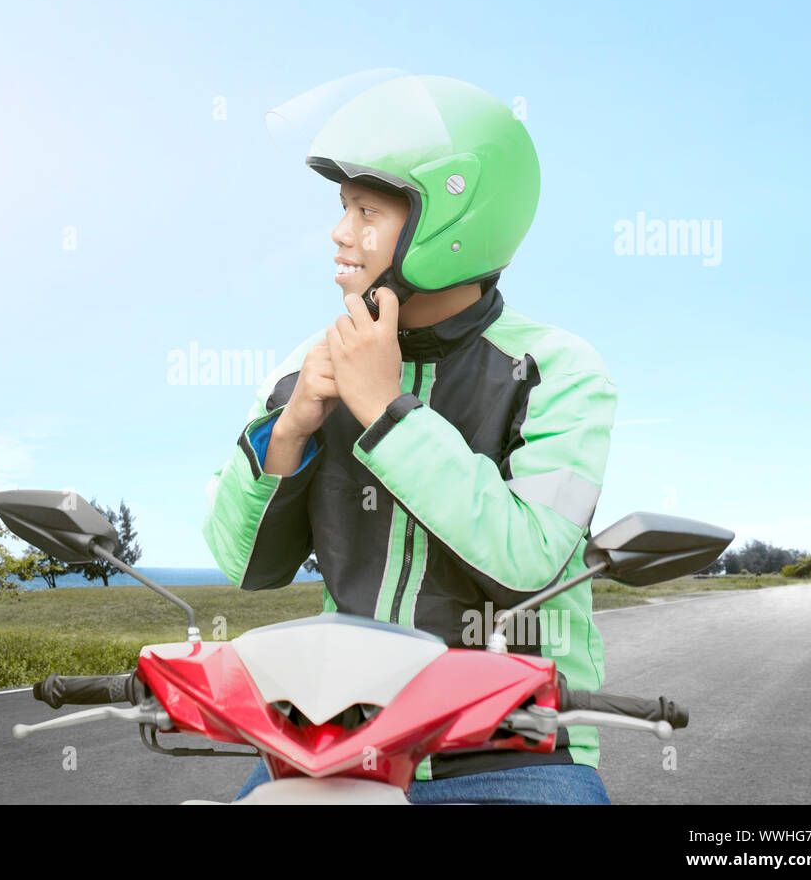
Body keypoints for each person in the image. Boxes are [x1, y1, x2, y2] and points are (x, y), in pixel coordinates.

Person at [200, 74, 618, 804]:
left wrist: (388, 412)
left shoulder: (558, 370)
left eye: (367, 211)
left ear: (453, 218)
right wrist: (291, 425)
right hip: (333, 744)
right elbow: (244, 562)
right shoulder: (310, 365)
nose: (339, 232)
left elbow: (525, 561)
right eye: (342, 209)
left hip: (510, 752)